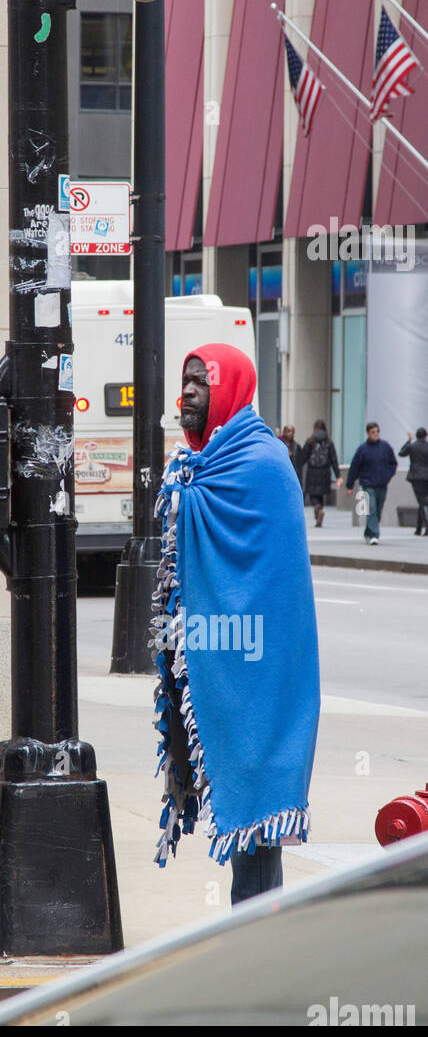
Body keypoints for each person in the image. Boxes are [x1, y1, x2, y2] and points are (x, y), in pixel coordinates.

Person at [152, 344, 320, 907]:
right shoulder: (202, 465)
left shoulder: (264, 463)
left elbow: (277, 586)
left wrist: (184, 493)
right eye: (186, 380)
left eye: (203, 380)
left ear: (230, 389)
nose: (190, 391)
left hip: (261, 677)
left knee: (256, 815)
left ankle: (260, 947)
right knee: (237, 811)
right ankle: (252, 940)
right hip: (214, 661)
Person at [346, 422, 398, 545]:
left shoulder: (385, 447)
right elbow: (354, 467)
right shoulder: (362, 449)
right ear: (368, 433)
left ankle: (369, 532)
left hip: (382, 484)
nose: (376, 434)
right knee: (372, 509)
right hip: (367, 483)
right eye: (373, 432)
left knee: (378, 510)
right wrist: (350, 484)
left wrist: (387, 476)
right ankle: (375, 535)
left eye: (377, 431)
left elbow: (393, 463)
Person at [299, 420, 341, 528]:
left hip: (312, 471)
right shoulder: (329, 442)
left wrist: (296, 468)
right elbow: (334, 459)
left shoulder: (311, 441)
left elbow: (303, 457)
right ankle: (320, 509)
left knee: (312, 494)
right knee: (321, 494)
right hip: (325, 472)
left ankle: (317, 507)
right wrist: (338, 476)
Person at [398, 427, 428, 536]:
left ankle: (424, 526)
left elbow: (401, 453)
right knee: (423, 501)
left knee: (422, 502)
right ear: (425, 436)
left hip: (416, 477)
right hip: (426, 477)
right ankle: (419, 527)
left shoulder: (412, 446)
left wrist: (408, 441)